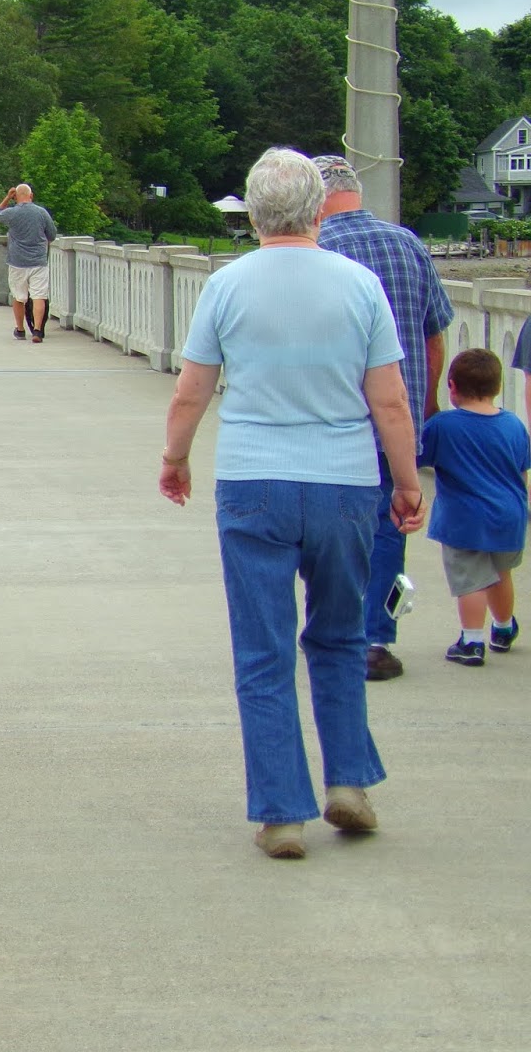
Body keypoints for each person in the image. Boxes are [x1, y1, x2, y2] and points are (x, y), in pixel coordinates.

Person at [158, 147, 425, 860]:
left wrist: (176, 458)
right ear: (316, 209)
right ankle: (348, 782)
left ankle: (281, 811)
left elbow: (192, 389)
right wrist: (406, 481)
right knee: (338, 636)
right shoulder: (359, 284)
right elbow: (390, 401)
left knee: (263, 649)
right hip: (343, 483)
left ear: (252, 212)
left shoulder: (227, 285)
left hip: (254, 482)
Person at [314, 153, 455, 682]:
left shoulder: (317, 251)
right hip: (400, 424)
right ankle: (376, 640)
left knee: (331, 534)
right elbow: (434, 334)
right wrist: (425, 402)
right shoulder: (409, 244)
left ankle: (335, 633)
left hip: (335, 423)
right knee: (391, 532)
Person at [416, 348, 530, 667]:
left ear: (451, 386)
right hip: (509, 515)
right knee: (500, 573)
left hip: (464, 519)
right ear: (497, 386)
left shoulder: (443, 426)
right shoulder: (514, 425)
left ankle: (471, 640)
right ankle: (504, 628)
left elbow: (419, 458)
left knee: (471, 580)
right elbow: (522, 471)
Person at [0, 183, 57, 343]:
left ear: (16, 197)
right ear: (31, 196)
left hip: (17, 262)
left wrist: (7, 197)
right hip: (38, 261)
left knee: (19, 297)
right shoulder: (42, 213)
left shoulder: (12, 213)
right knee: (39, 296)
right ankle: (37, 331)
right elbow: (52, 234)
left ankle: (20, 329)